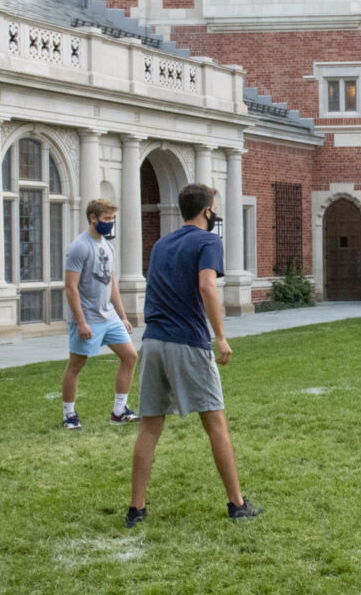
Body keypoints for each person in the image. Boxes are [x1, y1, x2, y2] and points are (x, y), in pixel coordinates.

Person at [126, 183, 262, 527]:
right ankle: (237, 504)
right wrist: (220, 336)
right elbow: (206, 286)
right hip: (187, 342)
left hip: (153, 342)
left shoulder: (160, 244)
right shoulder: (208, 241)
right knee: (216, 424)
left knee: (149, 427)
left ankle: (136, 509)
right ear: (207, 211)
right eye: (214, 207)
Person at [60, 199, 139, 430]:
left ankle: (119, 411)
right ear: (93, 218)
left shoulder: (108, 245)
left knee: (130, 356)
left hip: (109, 316)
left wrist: (122, 316)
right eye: (106, 219)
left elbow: (111, 283)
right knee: (76, 365)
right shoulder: (79, 247)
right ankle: (68, 415)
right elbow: (70, 287)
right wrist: (81, 322)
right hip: (88, 318)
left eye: (112, 219)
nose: (110, 223)